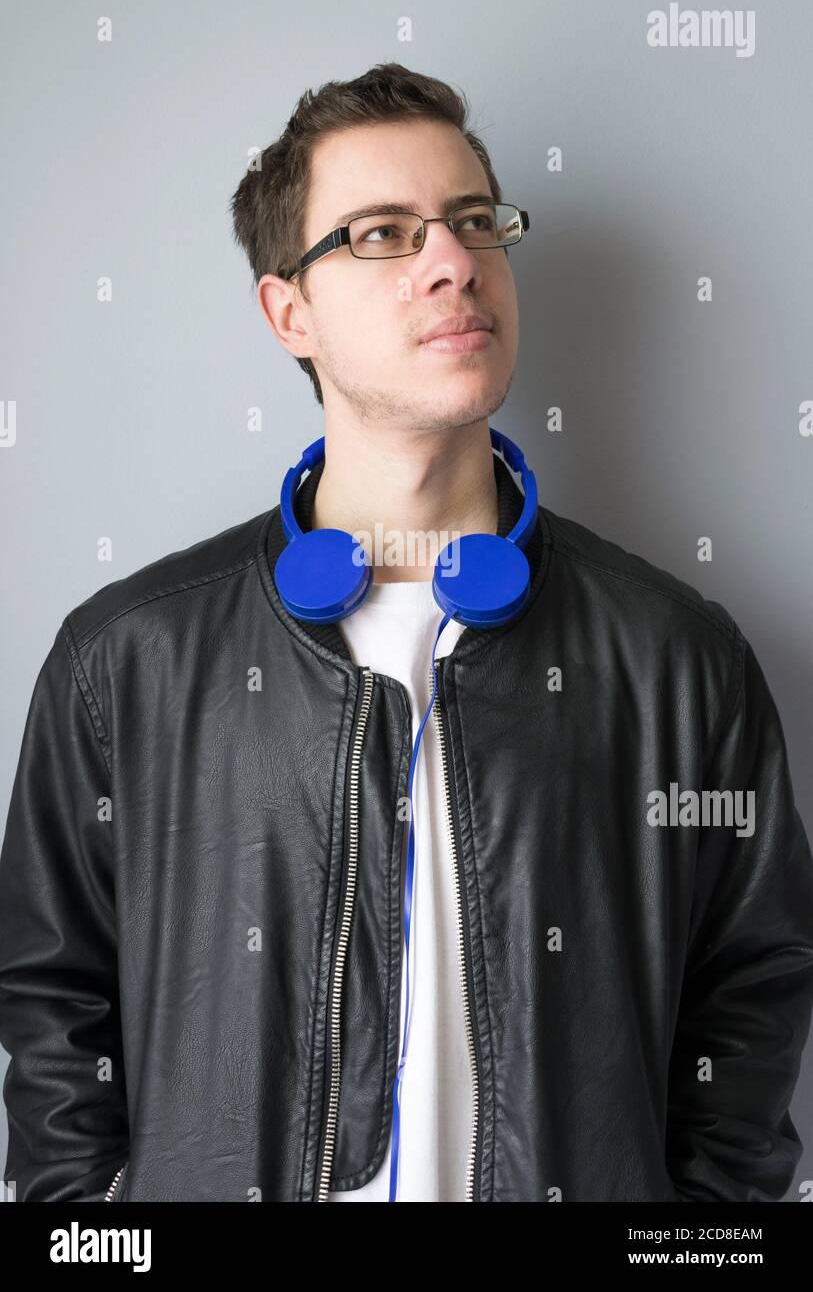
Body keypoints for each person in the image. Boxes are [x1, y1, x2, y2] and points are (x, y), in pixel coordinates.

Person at [1, 63, 812, 1204]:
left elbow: (754, 991)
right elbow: (50, 1006)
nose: (453, 263)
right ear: (291, 311)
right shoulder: (124, 662)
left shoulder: (680, 661)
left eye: (475, 221)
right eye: (382, 233)